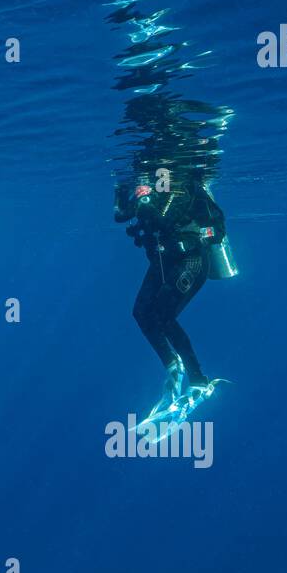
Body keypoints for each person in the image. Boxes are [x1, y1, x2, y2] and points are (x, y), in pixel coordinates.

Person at [114, 172, 230, 413]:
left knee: (164, 317)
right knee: (141, 312)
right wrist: (122, 190)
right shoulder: (146, 188)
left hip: (191, 260)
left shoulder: (186, 187)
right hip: (163, 262)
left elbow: (216, 228)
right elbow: (121, 215)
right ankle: (172, 364)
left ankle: (199, 380)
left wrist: (150, 205)